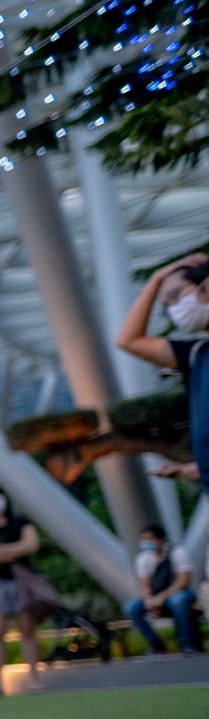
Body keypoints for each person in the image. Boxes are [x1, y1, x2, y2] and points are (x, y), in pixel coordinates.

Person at [115, 251, 209, 487]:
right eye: (168, 307)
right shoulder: (197, 354)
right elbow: (128, 341)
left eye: (177, 296)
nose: (176, 310)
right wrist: (156, 279)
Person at [0, 483, 44, 696]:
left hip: (22, 581)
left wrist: (1, 550)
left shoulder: (21, 522)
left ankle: (34, 677)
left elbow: (31, 544)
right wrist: (15, 550)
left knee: (27, 629)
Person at [125, 523, 203, 654]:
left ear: (161, 539)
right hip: (155, 596)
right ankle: (156, 645)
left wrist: (162, 597)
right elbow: (144, 585)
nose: (145, 543)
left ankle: (187, 643)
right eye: (143, 540)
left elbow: (184, 581)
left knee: (177, 601)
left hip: (180, 593)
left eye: (149, 539)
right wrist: (148, 599)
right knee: (130, 607)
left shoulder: (178, 553)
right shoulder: (142, 559)